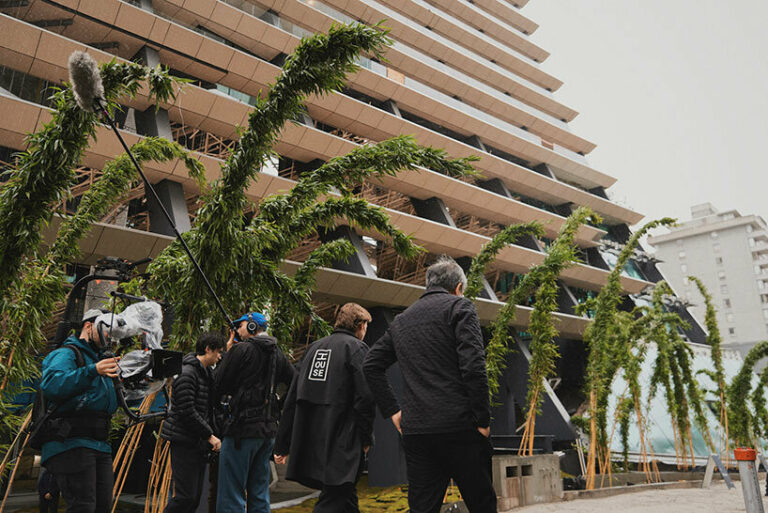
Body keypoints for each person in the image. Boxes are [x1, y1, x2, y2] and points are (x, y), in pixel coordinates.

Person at [363, 256, 497, 513]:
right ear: (458, 288)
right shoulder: (460, 308)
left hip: (417, 431)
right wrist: (482, 420)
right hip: (460, 428)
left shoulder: (402, 320)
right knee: (482, 505)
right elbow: (473, 367)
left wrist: (393, 411)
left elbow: (370, 364)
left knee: (423, 508)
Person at [274, 303, 375, 513]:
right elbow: (365, 398)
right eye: (366, 325)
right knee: (334, 497)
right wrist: (366, 439)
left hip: (312, 441)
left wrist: (282, 444)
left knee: (345, 496)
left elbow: (293, 398)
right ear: (360, 325)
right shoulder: (356, 348)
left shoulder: (314, 348)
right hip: (343, 441)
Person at [40, 308, 120, 513]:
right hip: (71, 441)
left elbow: (108, 401)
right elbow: (52, 384)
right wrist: (92, 370)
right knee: (82, 506)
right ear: (88, 325)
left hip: (99, 444)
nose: (109, 336)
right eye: (105, 328)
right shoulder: (67, 353)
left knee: (103, 507)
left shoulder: (101, 360)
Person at [215, 312, 295, 513]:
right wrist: (278, 407)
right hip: (267, 432)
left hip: (241, 432)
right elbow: (296, 381)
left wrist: (227, 354)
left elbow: (219, 383)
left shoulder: (240, 350)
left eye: (239, 326)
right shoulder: (277, 353)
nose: (237, 331)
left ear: (251, 326)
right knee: (259, 494)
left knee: (232, 494)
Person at [161, 332, 225, 513]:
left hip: (197, 442)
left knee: (194, 498)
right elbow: (186, 410)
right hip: (184, 441)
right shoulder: (188, 373)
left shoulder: (205, 373)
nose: (219, 356)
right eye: (218, 352)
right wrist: (210, 435)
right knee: (185, 497)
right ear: (207, 349)